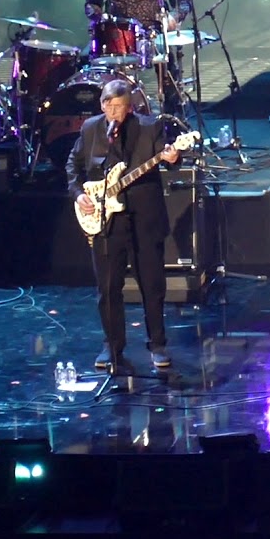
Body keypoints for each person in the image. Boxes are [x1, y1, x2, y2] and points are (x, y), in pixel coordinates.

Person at [67, 78, 180, 373]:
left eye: (120, 106)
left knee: (151, 285)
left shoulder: (149, 126)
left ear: (130, 107)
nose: (114, 111)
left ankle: (157, 343)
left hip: (145, 218)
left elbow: (167, 159)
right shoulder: (91, 128)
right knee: (108, 287)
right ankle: (112, 344)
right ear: (101, 104)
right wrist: (79, 195)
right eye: (109, 105)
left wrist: (172, 157)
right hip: (106, 222)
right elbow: (74, 165)